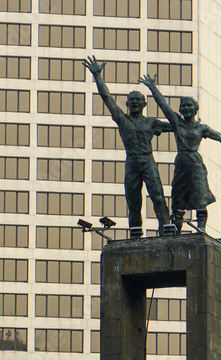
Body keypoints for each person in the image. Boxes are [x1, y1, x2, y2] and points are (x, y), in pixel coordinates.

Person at [139, 74, 221, 231]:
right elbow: (164, 106)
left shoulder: (201, 128)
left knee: (200, 194)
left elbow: (220, 138)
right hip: (182, 162)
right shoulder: (177, 123)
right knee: (178, 196)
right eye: (184, 106)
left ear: (196, 109)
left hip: (195, 163)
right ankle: (177, 230)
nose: (186, 108)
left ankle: (201, 227)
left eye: (190, 106)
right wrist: (152, 87)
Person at [83, 55, 173, 237]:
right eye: (131, 101)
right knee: (133, 199)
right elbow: (107, 98)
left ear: (144, 104)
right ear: (127, 104)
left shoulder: (151, 123)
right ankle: (135, 231)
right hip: (132, 161)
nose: (134, 103)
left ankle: (166, 227)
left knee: (157, 195)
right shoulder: (122, 119)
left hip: (148, 160)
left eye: (138, 101)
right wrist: (98, 76)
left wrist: (190, 122)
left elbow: (176, 126)